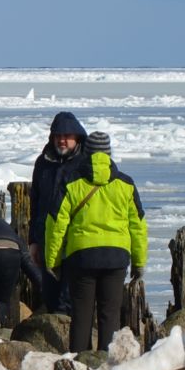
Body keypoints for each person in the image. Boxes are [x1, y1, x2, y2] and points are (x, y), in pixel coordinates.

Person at [44, 130, 147, 354]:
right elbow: (137, 225)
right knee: (110, 315)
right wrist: (139, 262)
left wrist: (53, 260)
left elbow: (56, 224)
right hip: (116, 256)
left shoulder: (71, 182)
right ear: (108, 154)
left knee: (81, 315)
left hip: (81, 257)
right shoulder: (125, 184)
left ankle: (80, 366)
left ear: (86, 153)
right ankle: (108, 368)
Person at [29, 111, 87, 309]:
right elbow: (35, 203)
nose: (62, 140)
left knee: (70, 299)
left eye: (67, 136)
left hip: (74, 241)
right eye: (58, 136)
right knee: (51, 296)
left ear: (77, 137)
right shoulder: (43, 163)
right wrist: (34, 241)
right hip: (47, 240)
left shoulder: (86, 163)